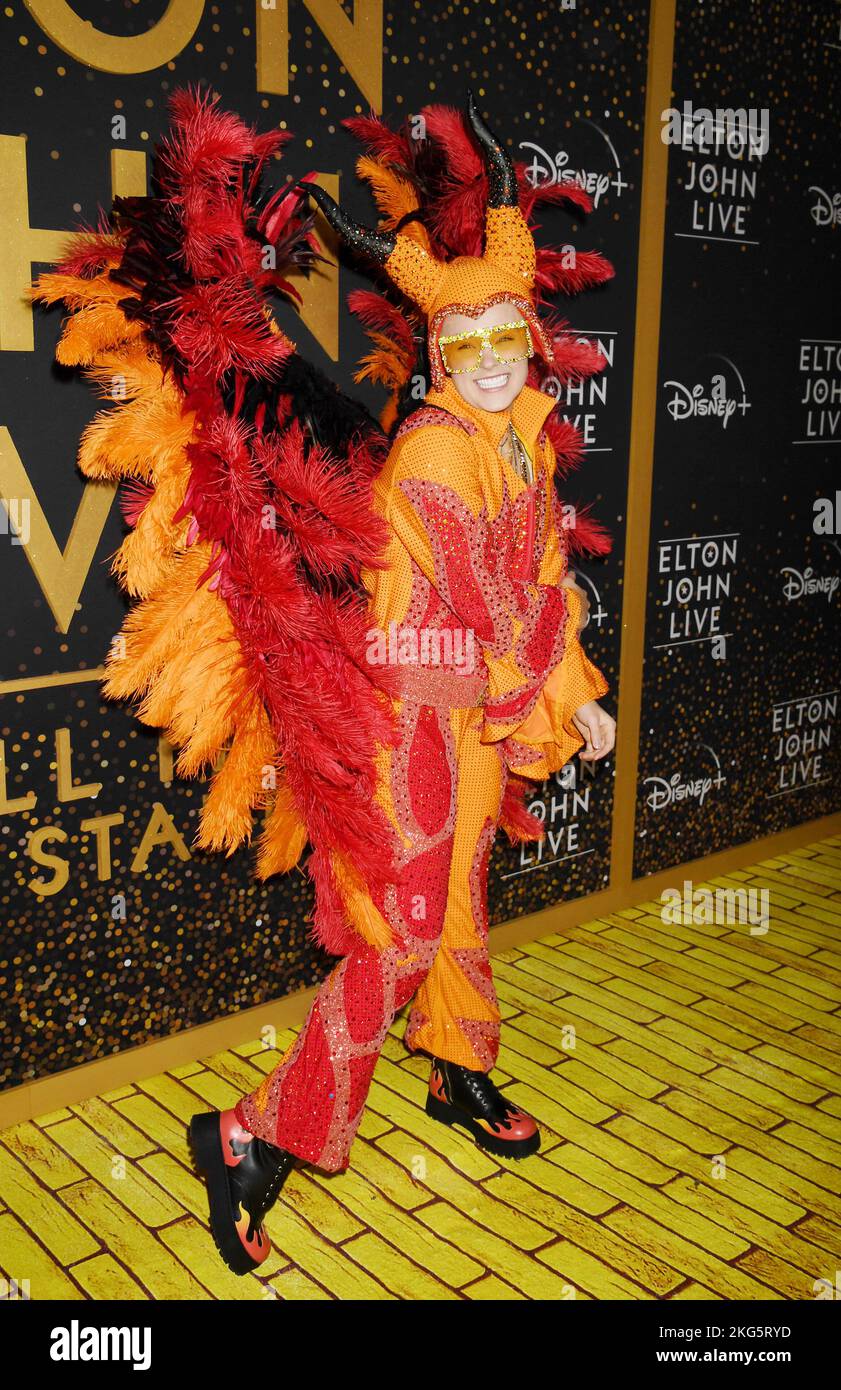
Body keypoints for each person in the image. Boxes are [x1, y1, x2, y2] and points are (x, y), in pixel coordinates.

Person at [188, 92, 616, 1276]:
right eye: (460, 342)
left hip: (478, 704)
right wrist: (562, 694)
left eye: (501, 336)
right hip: (417, 718)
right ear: (437, 353)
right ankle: (247, 1139)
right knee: (403, 936)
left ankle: (458, 1070)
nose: (484, 361)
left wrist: (561, 685)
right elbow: (498, 607)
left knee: (463, 897)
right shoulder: (433, 452)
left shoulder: (519, 436)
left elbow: (537, 581)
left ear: (527, 335)